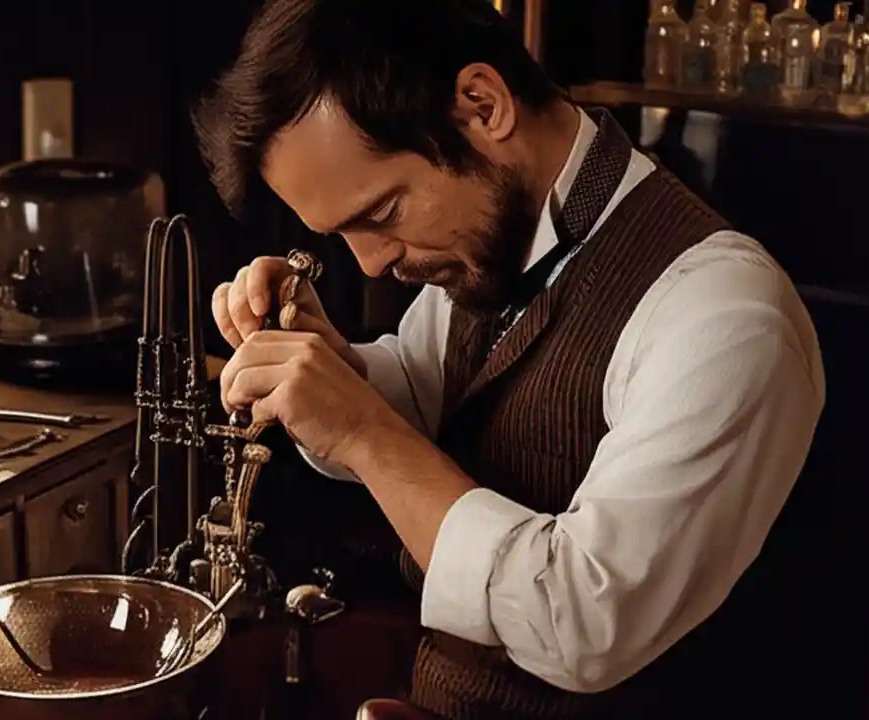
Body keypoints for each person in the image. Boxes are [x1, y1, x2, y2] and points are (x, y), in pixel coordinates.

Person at [192, 1, 827, 717]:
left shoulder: (725, 314)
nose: (369, 265)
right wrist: (331, 368)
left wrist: (361, 431)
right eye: (342, 234)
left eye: (382, 213)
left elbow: (587, 626)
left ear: (482, 104)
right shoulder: (496, 241)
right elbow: (428, 398)